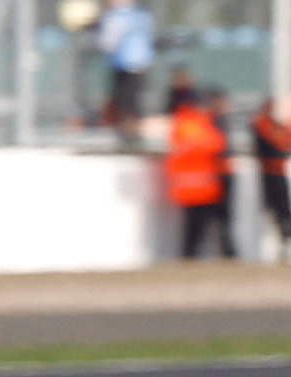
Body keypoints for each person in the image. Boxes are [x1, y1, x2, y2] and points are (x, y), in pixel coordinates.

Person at [165, 90, 233, 260]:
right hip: (194, 186)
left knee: (204, 226)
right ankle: (189, 256)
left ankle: (198, 255)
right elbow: (213, 143)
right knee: (194, 227)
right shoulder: (188, 123)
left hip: (204, 185)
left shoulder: (200, 122)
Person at [251, 97, 291, 265]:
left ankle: (290, 242)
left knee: (287, 210)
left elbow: (289, 139)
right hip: (270, 173)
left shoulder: (273, 125)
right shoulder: (262, 124)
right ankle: (281, 244)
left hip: (280, 172)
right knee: (276, 210)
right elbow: (281, 141)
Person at [96, 0, 154, 146]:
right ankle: (134, 131)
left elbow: (108, 42)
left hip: (124, 63)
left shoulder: (117, 17)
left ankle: (127, 133)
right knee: (134, 100)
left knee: (125, 101)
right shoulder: (141, 15)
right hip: (140, 63)